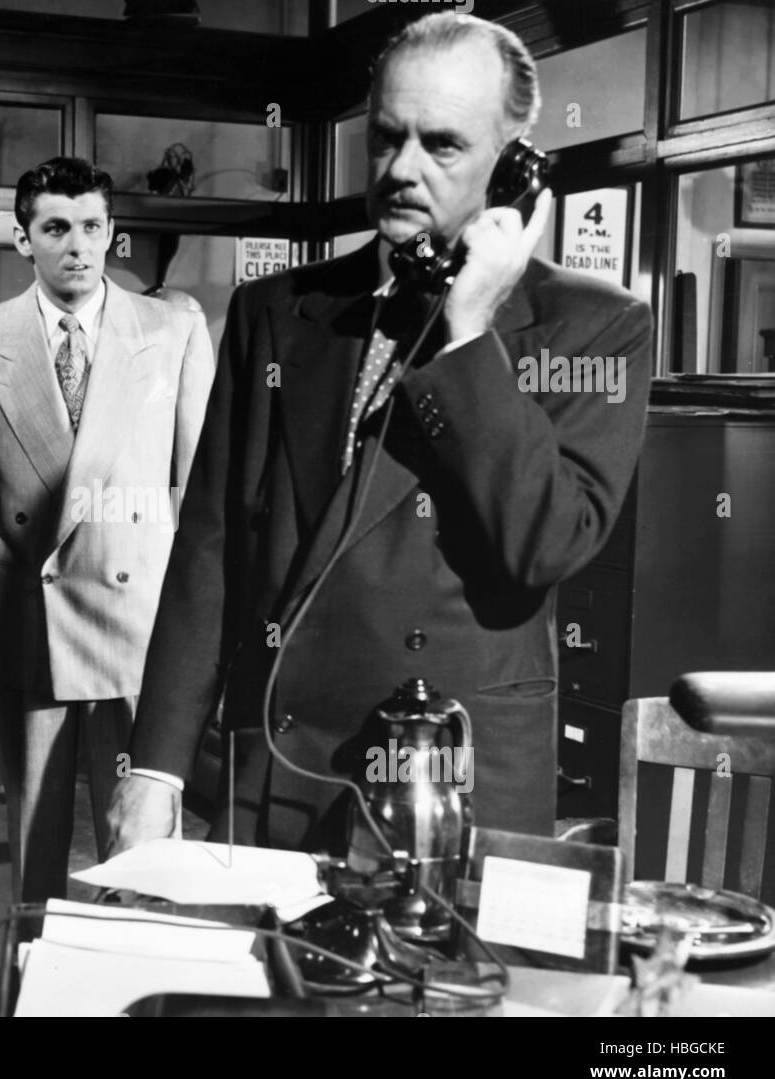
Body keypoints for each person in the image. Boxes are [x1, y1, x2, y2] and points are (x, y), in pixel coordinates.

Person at [106, 12, 654, 853]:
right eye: (388, 137)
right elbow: (211, 548)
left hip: (456, 772)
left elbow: (542, 545)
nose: (401, 169)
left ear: (514, 171)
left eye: (441, 145)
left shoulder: (591, 328)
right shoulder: (276, 313)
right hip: (281, 760)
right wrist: (156, 770)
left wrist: (469, 336)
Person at [0, 156, 216, 903]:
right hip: (31, 623)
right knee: (36, 850)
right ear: (23, 239)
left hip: (141, 627)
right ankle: (35, 987)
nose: (77, 246)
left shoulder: (174, 328)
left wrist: (204, 635)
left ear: (112, 233)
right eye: (56, 228)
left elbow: (197, 496)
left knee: (143, 848)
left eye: (92, 227)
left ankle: (135, 994)